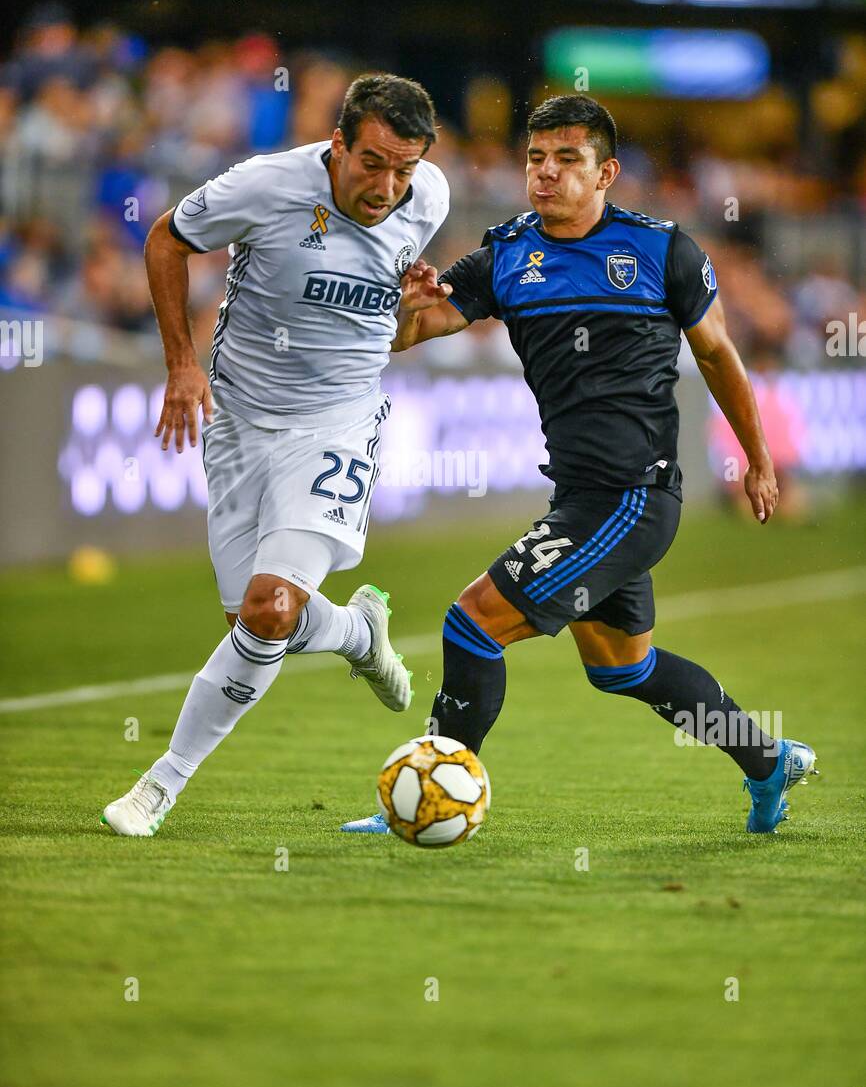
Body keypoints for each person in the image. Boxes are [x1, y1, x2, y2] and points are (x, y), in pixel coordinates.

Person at [341, 94, 815, 838]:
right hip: (582, 498)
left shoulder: (663, 252)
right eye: (536, 158)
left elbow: (718, 354)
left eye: (567, 159)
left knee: (471, 625)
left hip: (632, 498)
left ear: (606, 174)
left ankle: (434, 794)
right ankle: (767, 760)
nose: (546, 174)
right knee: (624, 667)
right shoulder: (506, 256)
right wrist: (402, 308)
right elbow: (414, 331)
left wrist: (759, 458)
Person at [102, 73, 451, 836]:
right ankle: (357, 633)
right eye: (373, 163)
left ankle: (159, 786)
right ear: (338, 144)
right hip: (238, 419)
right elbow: (166, 237)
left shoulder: (431, 198)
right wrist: (181, 365)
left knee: (269, 607)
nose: (389, 186)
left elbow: (375, 315)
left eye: (406, 168)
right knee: (257, 624)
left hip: (337, 423)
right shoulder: (265, 186)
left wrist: (410, 305)